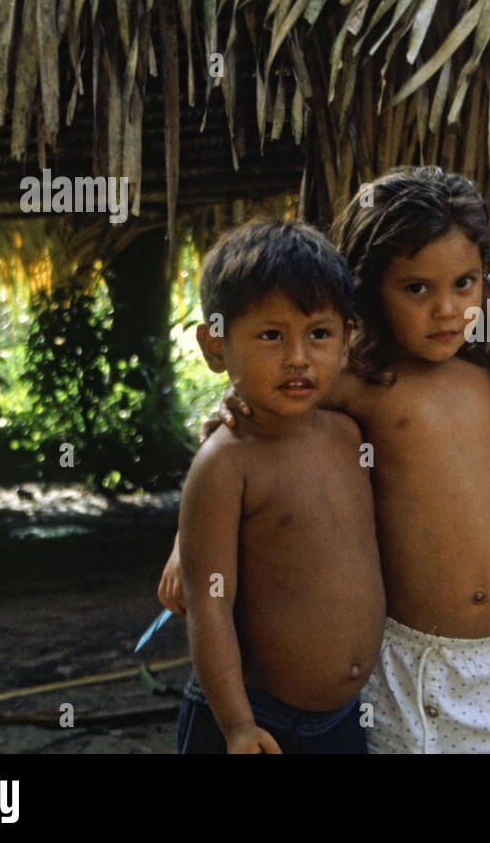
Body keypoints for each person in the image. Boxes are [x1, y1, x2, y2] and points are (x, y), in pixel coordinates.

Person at [162, 170, 490, 753]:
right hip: (403, 660)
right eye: (416, 289)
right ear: (369, 294)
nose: (445, 309)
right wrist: (187, 545)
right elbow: (246, 426)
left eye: (463, 284)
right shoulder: (357, 381)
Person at [175, 220, 384, 754]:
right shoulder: (226, 463)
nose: (297, 357)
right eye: (271, 335)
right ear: (214, 347)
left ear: (347, 339)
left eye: (318, 333)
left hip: (343, 720)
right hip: (257, 718)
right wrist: (238, 726)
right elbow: (208, 604)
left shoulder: (349, 433)